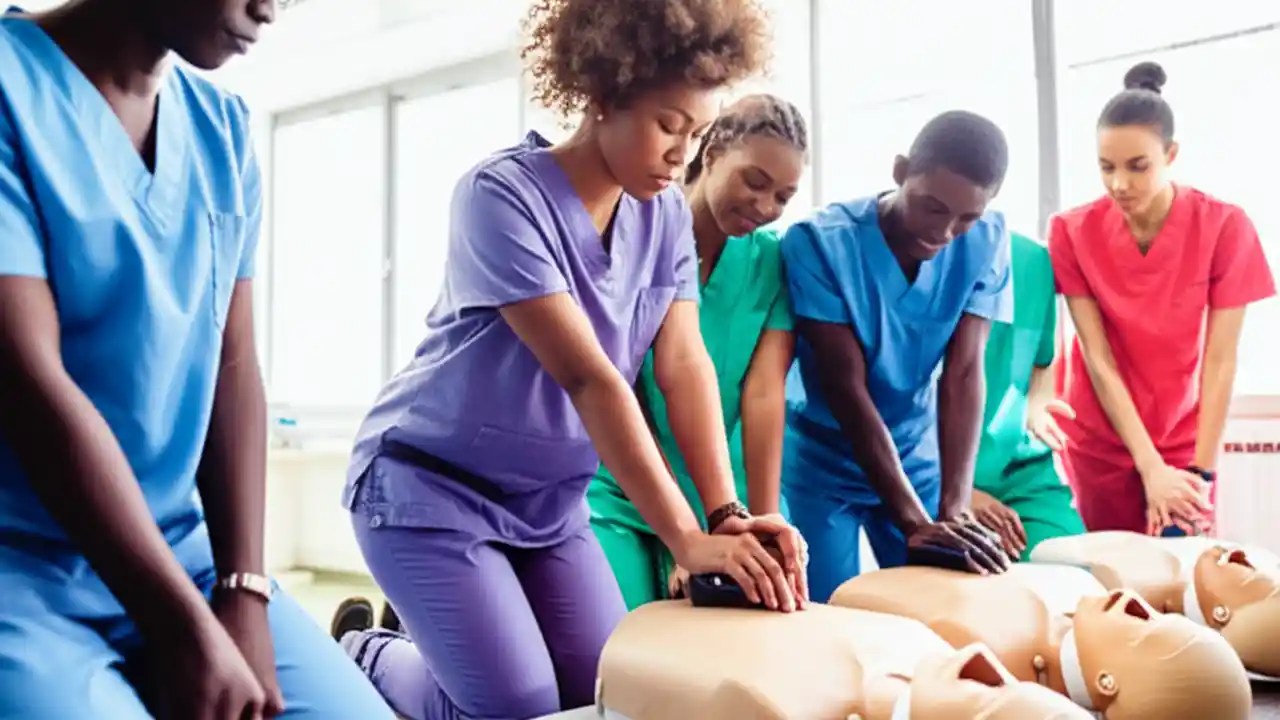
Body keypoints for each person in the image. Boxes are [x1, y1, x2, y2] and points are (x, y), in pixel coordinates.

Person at [329, 1, 809, 719]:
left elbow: (684, 365)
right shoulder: (500, 197)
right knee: (514, 706)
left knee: (599, 691)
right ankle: (365, 651)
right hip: (430, 487)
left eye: (697, 134)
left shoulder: (665, 216)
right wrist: (685, 541)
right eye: (668, 126)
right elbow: (590, 378)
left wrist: (725, 515)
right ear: (604, 94)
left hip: (549, 503)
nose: (682, 155)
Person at [0, 2, 392, 719]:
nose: (268, 9)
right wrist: (181, 626)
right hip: (22, 574)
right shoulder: (10, 89)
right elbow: (29, 384)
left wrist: (244, 591)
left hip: (188, 557)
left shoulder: (222, 131)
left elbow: (233, 365)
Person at [781, 110, 1016, 603]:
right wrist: (912, 520)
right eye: (933, 207)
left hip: (915, 453)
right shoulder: (819, 243)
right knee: (825, 608)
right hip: (825, 461)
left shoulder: (988, 239)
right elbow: (845, 388)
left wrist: (955, 508)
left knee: (943, 600)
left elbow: (964, 373)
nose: (946, 231)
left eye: (967, 218)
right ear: (901, 171)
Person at [587, 93, 807, 610]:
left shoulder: (772, 261)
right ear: (711, 153)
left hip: (725, 490)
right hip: (624, 482)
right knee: (620, 627)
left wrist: (762, 525)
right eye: (754, 181)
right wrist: (686, 532)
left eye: (783, 196)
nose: (765, 207)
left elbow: (764, 395)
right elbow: (626, 392)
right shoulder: (634, 234)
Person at [1049, 61, 1276, 536]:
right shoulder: (1070, 232)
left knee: (1184, 568)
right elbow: (1097, 357)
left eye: (1138, 166)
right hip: (1099, 438)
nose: (1119, 184)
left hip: (1184, 439)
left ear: (1171, 154)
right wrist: (1148, 466)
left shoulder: (1224, 226)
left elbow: (1220, 361)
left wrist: (1200, 472)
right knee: (1112, 572)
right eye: (1106, 167)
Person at [969, 232, 1086, 561]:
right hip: (931, 477)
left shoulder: (1031, 261)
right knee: (972, 578)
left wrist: (1036, 404)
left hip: (1021, 472)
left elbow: (1039, 361)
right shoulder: (915, 259)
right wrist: (954, 492)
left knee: (1069, 569)